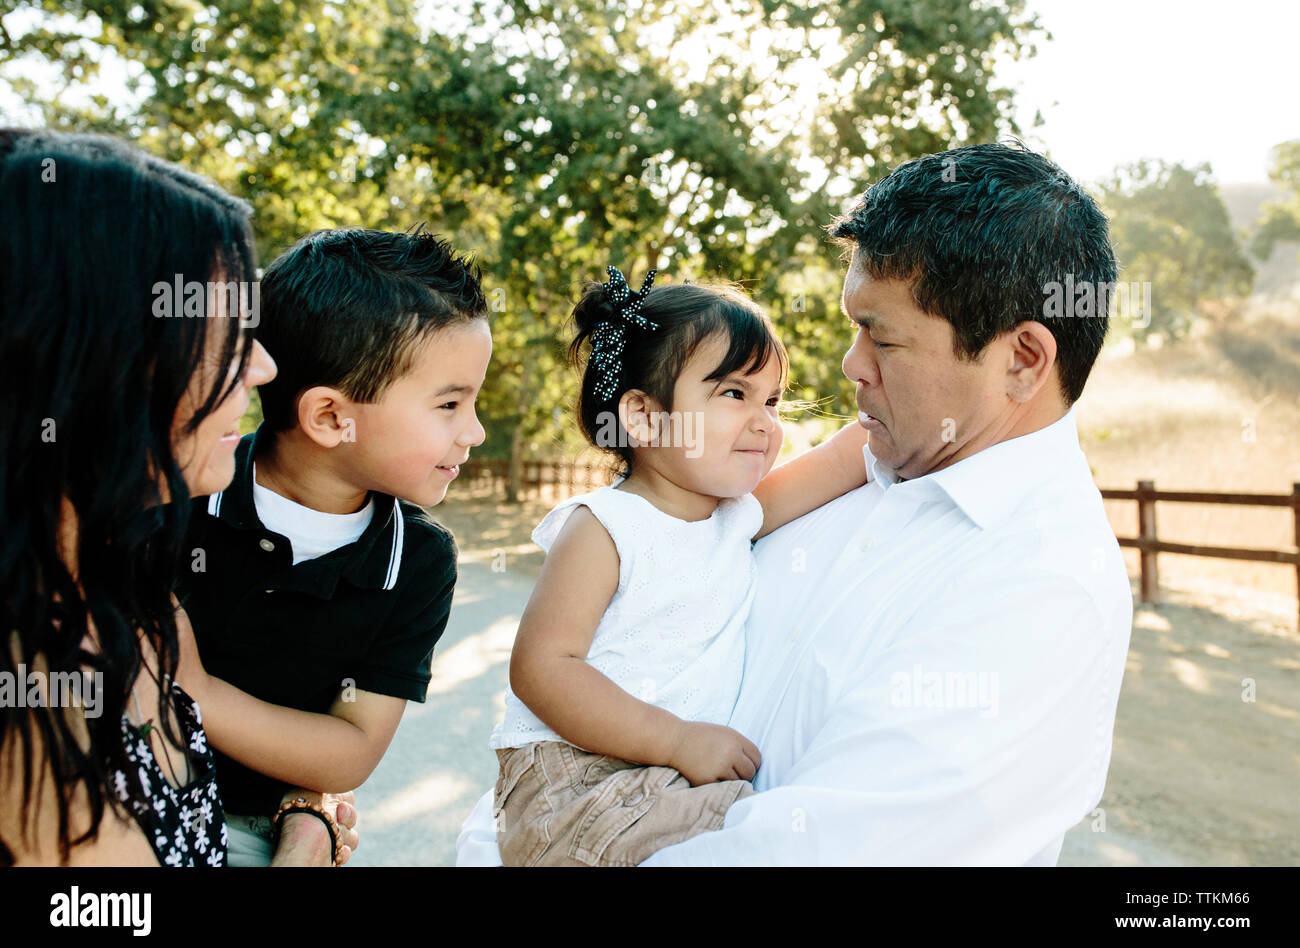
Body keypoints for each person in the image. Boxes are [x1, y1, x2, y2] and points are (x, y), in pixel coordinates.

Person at [458, 142, 1133, 866]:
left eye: (881, 335)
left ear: (1022, 361)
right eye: (853, 327)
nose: (851, 365)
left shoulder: (1045, 589)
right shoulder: (830, 480)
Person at [0, 129, 356, 866]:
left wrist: (300, 819)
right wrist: (307, 844)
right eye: (226, 333)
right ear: (101, 356)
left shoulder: (133, 598)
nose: (260, 367)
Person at [487, 268, 872, 866]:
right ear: (640, 416)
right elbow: (541, 668)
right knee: (761, 841)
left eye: (771, 400)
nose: (764, 421)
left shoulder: (737, 516)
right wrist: (675, 739)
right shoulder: (607, 526)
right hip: (576, 777)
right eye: (733, 394)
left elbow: (845, 457)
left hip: (660, 782)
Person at [174, 228, 490, 865]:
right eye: (450, 404)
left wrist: (196, 693)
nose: (475, 432)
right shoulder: (180, 497)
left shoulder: (418, 561)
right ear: (328, 417)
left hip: (267, 825)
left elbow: (350, 748)